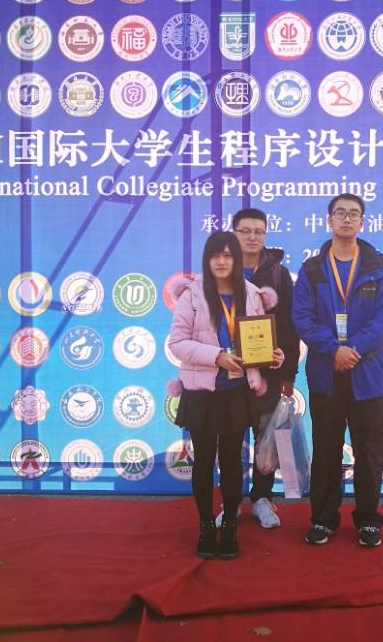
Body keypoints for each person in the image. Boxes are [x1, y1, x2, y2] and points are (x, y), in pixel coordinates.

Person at [292, 194, 383, 548]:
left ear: (362, 221)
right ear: (329, 220)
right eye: (340, 213)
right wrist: (333, 349)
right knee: (326, 449)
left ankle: (368, 520)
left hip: (369, 373)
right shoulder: (312, 269)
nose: (347, 219)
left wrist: (352, 350)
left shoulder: (379, 267)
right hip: (327, 373)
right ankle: (323, 519)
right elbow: (302, 317)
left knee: (369, 450)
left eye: (354, 213)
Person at [167, 231, 284, 560]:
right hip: (202, 392)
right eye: (215, 255)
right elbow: (177, 343)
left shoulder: (252, 294)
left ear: (236, 259)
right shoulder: (192, 295)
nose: (221, 261)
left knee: (233, 462)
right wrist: (216, 356)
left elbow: (258, 340)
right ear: (207, 260)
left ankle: (230, 524)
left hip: (236, 392)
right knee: (204, 462)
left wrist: (272, 356)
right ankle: (206, 525)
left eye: (228, 255)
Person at [219, 208, 300, 529]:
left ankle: (262, 499)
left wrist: (288, 373)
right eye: (245, 231)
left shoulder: (279, 274)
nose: (252, 237)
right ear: (234, 233)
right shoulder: (221, 269)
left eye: (259, 231)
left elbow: (290, 328)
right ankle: (230, 501)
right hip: (229, 374)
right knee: (229, 440)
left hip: (268, 373)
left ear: (265, 235)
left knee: (267, 439)